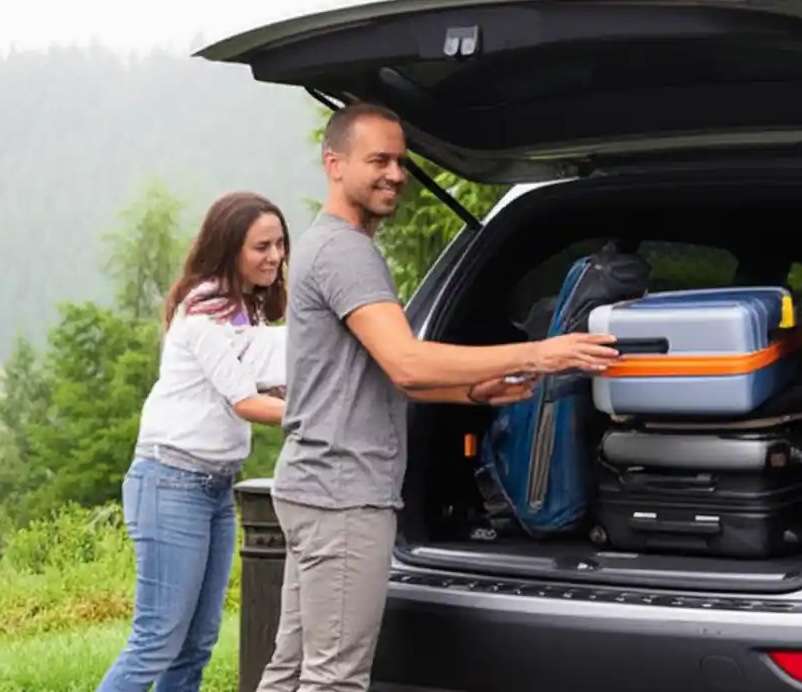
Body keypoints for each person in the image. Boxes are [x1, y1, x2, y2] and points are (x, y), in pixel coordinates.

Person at [254, 103, 619, 692]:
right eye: (378, 160)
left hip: (312, 487)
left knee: (292, 669)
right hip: (345, 495)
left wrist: (470, 390)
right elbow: (406, 359)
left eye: (400, 161)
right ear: (334, 164)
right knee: (334, 678)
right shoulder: (347, 252)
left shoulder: (322, 246)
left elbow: (389, 374)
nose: (395, 174)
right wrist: (538, 353)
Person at [97, 191, 291, 692]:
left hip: (215, 487)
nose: (274, 256)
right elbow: (243, 400)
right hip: (171, 482)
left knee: (195, 645)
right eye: (261, 247)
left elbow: (263, 374)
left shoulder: (243, 308)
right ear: (229, 248)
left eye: (279, 245)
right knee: (156, 641)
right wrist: (321, 416)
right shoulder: (205, 310)